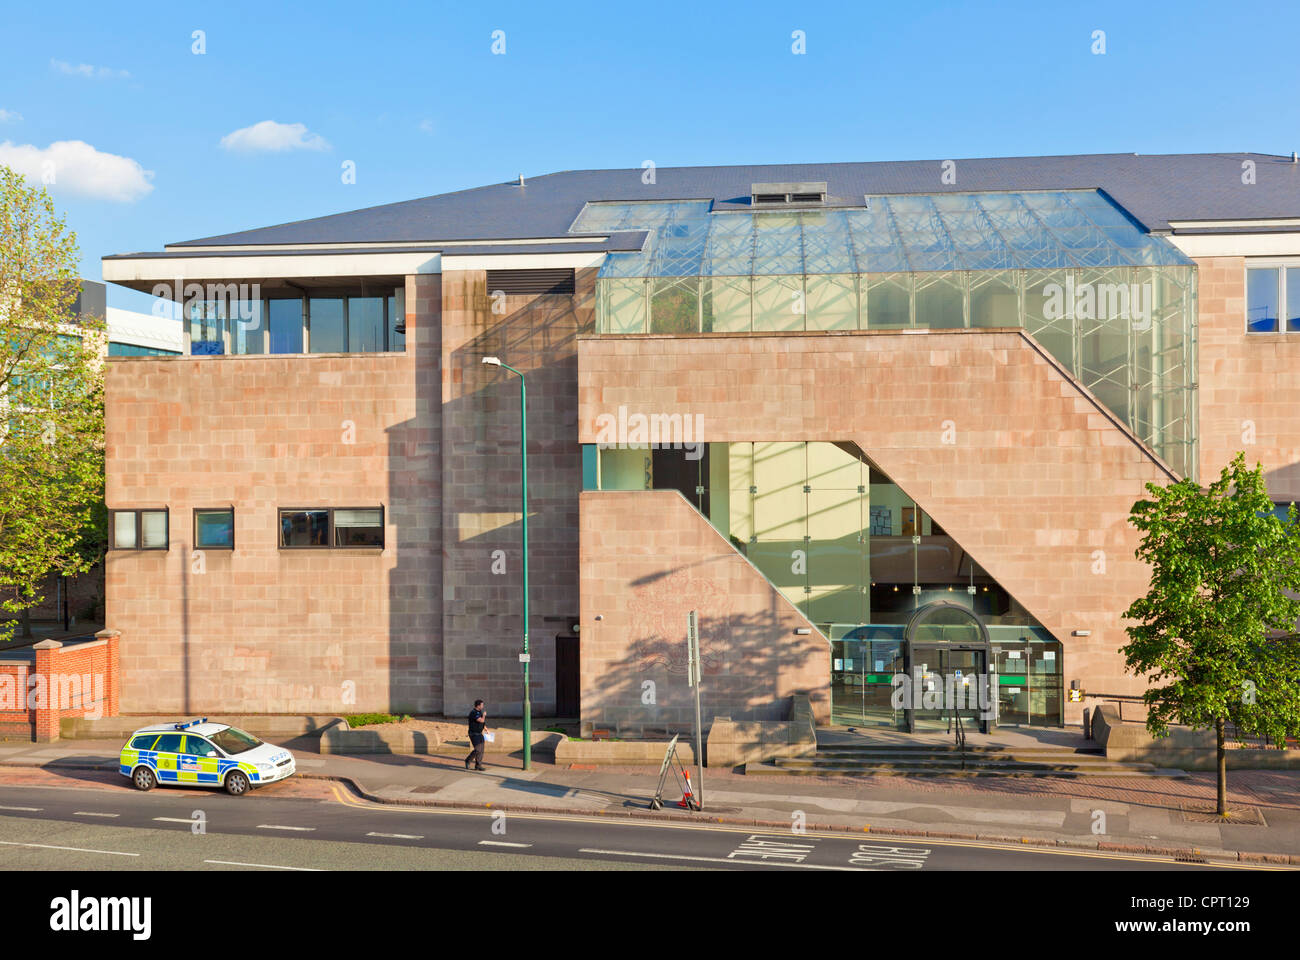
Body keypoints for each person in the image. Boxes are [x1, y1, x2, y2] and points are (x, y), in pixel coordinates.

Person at [465, 699, 487, 771]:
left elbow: (482, 723)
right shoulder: (474, 713)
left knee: (481, 750)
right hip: (474, 734)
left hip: (479, 733)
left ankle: (478, 765)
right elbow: (481, 720)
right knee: (477, 749)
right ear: (478, 706)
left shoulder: (479, 712)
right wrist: (484, 715)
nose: (483, 706)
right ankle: (468, 760)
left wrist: (485, 728)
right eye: (482, 705)